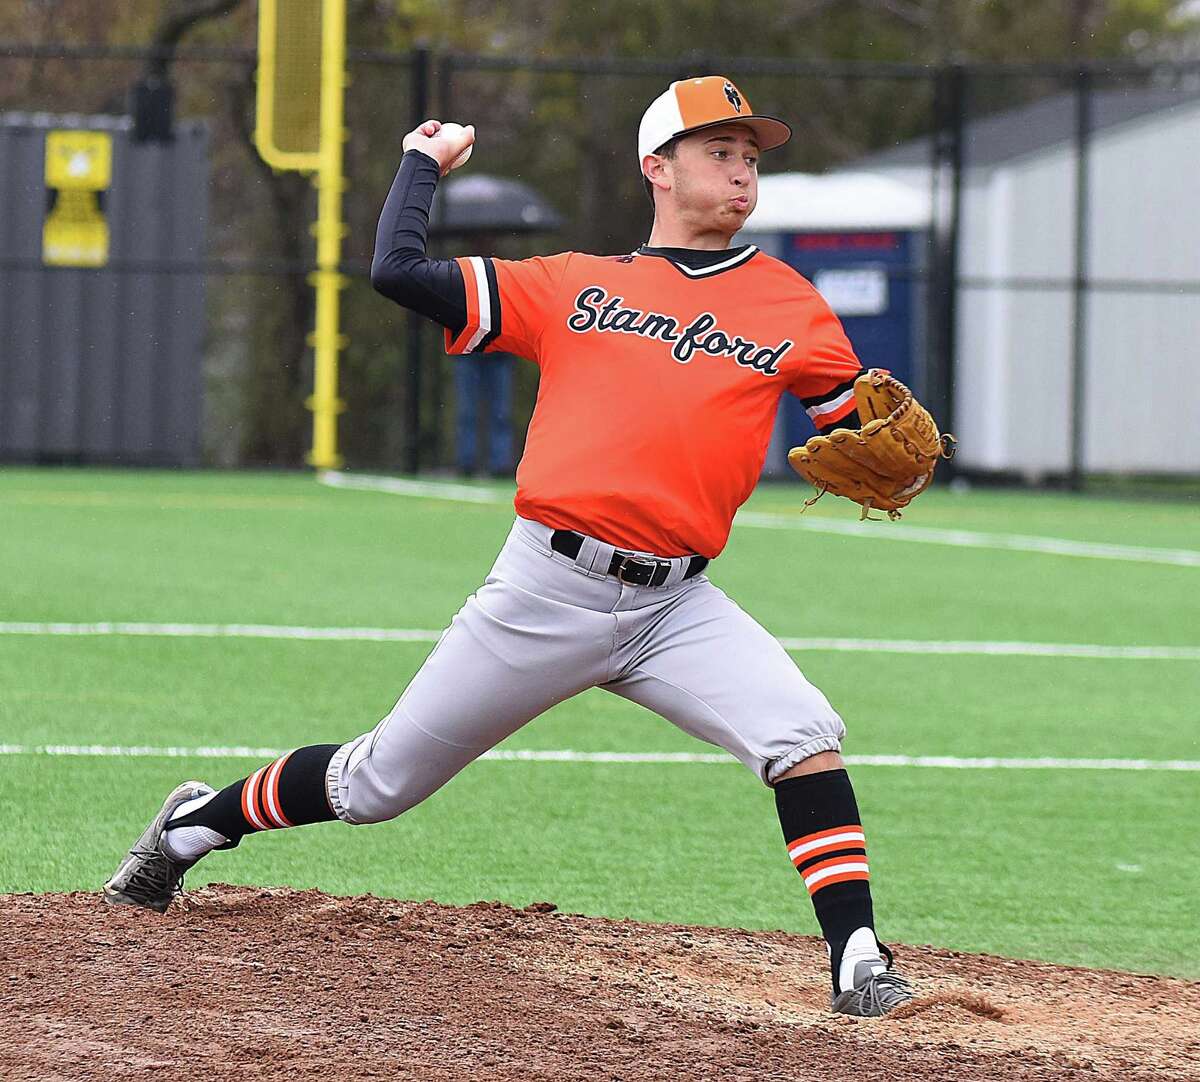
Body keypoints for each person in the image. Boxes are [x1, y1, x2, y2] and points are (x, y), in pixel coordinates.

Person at [104, 76, 917, 1016]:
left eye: (751, 159)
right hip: (545, 588)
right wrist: (419, 166)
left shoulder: (788, 303)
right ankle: (197, 823)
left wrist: (880, 430)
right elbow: (398, 274)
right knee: (375, 785)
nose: (742, 174)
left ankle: (857, 957)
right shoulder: (571, 286)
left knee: (802, 734)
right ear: (657, 168)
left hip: (675, 606)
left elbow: (858, 422)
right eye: (719, 153)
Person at [454, 349, 515, 476]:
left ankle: (501, 465)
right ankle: (466, 464)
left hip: (499, 355)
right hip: (467, 353)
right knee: (467, 413)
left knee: (501, 415)